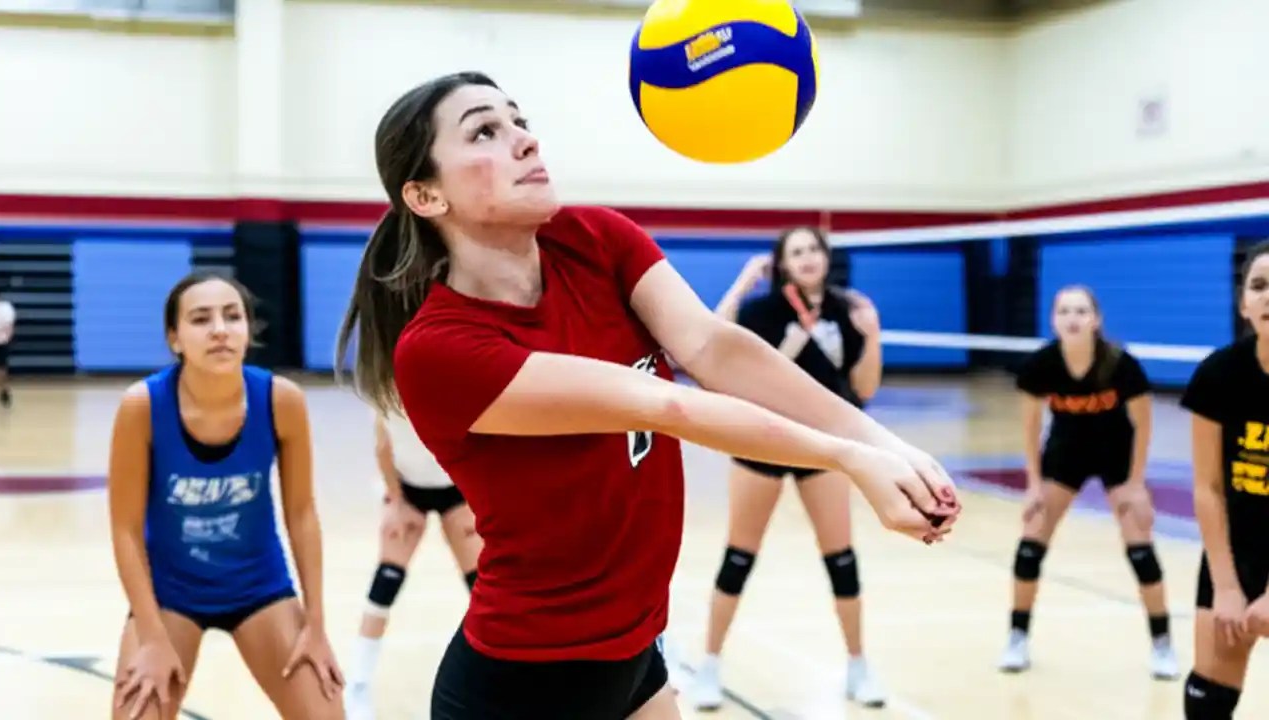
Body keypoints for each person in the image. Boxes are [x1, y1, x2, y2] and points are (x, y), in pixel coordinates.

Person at [334, 71, 960, 720]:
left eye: (519, 120)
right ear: (425, 194)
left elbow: (713, 348)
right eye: (485, 132)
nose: (524, 140)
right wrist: (849, 458)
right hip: (525, 684)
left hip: (636, 656)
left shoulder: (596, 239)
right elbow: (665, 405)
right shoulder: (440, 350)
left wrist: (880, 440)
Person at [107, 271, 344, 720]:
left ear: (247, 330)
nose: (219, 329)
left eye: (232, 316)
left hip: (260, 587)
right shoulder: (142, 406)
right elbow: (125, 530)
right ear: (174, 338)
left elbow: (302, 513)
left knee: (326, 714)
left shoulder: (281, 400)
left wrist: (315, 623)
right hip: (170, 594)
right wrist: (152, 637)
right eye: (200, 319)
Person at [689, 228, 887, 710]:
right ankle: (710, 666)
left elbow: (865, 387)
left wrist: (873, 333)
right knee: (739, 555)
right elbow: (712, 348)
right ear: (782, 263)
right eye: (795, 251)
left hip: (825, 446)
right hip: (765, 440)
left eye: (813, 249)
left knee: (841, 558)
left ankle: (858, 666)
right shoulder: (762, 311)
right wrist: (741, 284)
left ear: (825, 258)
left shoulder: (848, 311)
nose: (806, 258)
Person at [999, 284, 1178, 680]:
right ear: (1053, 320)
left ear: (1096, 320)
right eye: (1064, 311)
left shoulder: (1120, 364)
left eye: (1081, 311)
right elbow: (1029, 429)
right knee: (1030, 545)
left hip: (1116, 454)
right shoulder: (1041, 365)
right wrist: (1032, 485)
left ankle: (1163, 644)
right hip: (1065, 454)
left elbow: (1143, 424)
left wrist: (1135, 483)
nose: (1073, 318)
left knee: (1140, 548)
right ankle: (1017, 637)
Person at [343, 408, 482, 720]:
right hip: (408, 490)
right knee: (386, 580)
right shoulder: (386, 385)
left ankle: (504, 678)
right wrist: (394, 499)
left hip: (456, 490)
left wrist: (478, 497)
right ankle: (359, 685)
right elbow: (382, 445)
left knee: (484, 586)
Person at [1180, 240, 1269, 719]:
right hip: (1239, 549)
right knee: (1208, 698)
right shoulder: (1219, 375)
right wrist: (1227, 587)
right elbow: (1208, 489)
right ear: (1244, 303)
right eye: (1259, 286)